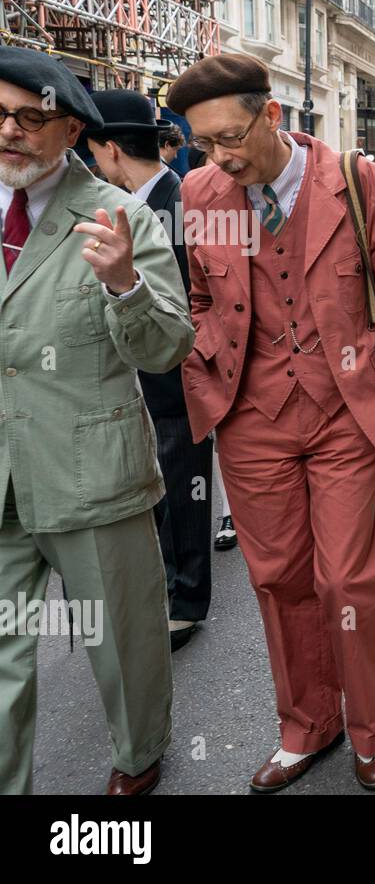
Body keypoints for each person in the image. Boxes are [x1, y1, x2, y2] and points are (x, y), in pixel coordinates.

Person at [170, 53, 375, 791]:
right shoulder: (200, 193)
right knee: (279, 578)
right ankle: (307, 723)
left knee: (348, 579)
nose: (219, 157)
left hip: (342, 413)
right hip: (249, 420)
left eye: (229, 138)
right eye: (204, 145)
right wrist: (205, 361)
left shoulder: (353, 180)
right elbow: (197, 297)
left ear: (272, 115)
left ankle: (370, 730)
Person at [0, 46, 194, 794]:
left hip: (92, 472)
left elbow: (170, 343)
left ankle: (141, 753)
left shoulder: (118, 218)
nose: (11, 131)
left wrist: (124, 285)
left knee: (121, 641)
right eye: (0, 116)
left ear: (72, 130)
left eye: (30, 117)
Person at [85, 89, 214, 653]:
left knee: (184, 488)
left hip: (179, 373)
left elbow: (198, 293)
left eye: (92, 153)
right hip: (144, 373)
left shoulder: (176, 200)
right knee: (160, 488)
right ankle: (166, 588)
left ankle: (186, 604)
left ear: (111, 149)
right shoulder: (139, 199)